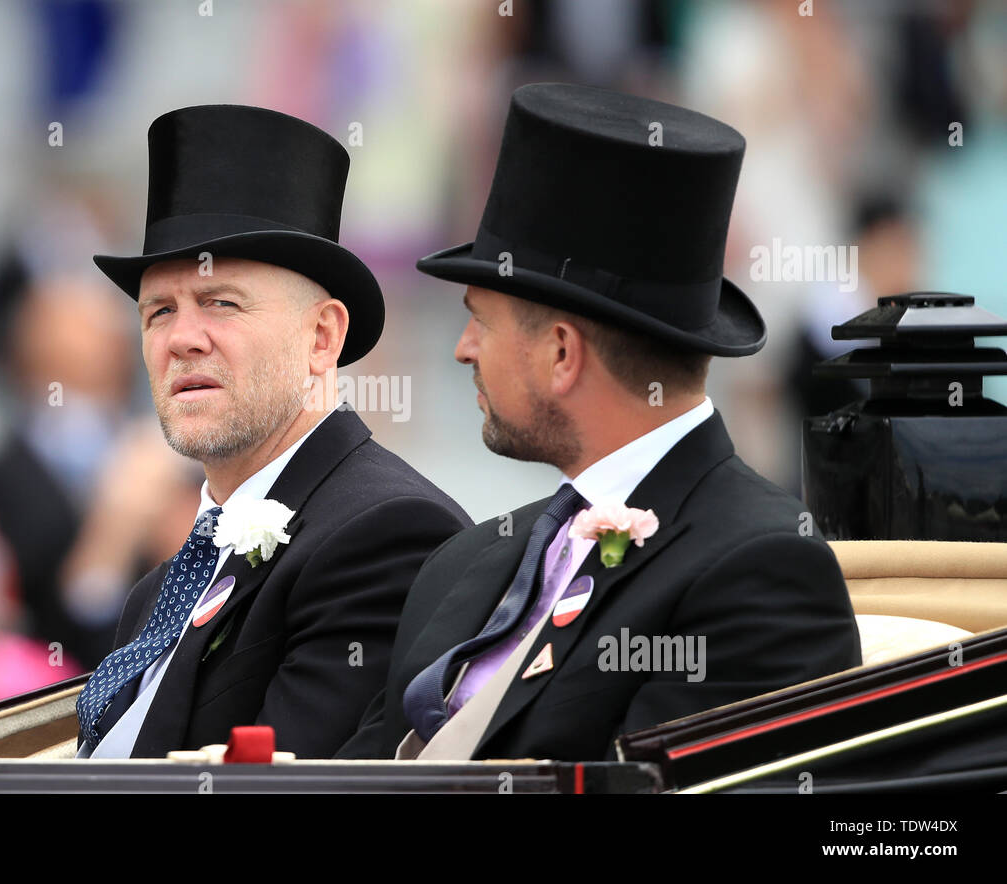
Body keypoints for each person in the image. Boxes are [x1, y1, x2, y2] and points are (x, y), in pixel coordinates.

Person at [338, 83, 861, 762]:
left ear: (561, 354)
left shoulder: (759, 572)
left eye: (480, 319)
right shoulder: (467, 562)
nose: (461, 347)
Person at [76, 104, 470, 759]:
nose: (181, 339)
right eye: (158, 312)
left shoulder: (383, 535)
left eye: (221, 303)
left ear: (323, 337)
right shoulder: (160, 589)